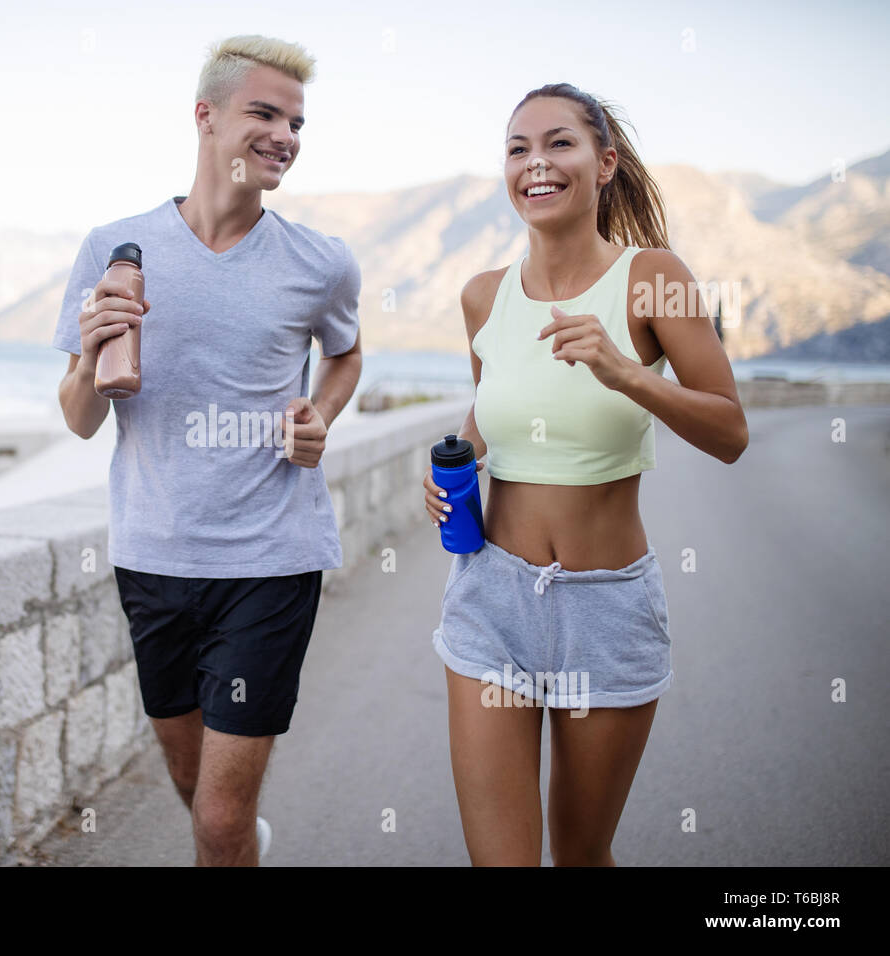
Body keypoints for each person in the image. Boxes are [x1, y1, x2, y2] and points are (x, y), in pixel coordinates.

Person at [53, 34, 362, 866]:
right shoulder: (117, 250)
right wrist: (91, 354)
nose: (285, 136)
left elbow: (347, 353)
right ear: (206, 116)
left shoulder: (319, 263)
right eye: (265, 112)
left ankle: (231, 841)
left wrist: (320, 414)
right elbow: (82, 419)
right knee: (195, 793)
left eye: (296, 122)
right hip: (153, 559)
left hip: (271, 560)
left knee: (220, 820)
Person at [423, 83, 748, 866]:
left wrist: (625, 370)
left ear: (604, 163)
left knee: (578, 856)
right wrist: (453, 468)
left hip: (604, 609)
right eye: (518, 148)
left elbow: (731, 430)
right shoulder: (483, 296)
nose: (536, 162)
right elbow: (491, 404)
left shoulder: (652, 278)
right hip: (491, 600)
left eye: (559, 143)